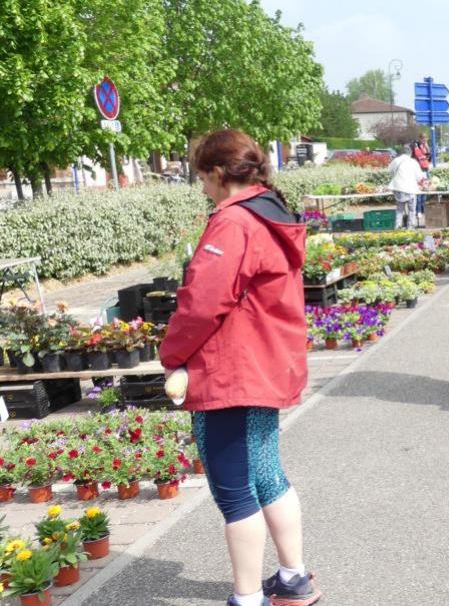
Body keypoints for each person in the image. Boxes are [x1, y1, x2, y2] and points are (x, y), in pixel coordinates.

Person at [158, 129, 320, 606]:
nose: (202, 189)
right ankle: (293, 578)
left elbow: (202, 304)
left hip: (231, 370)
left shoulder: (233, 223)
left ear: (218, 173)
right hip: (266, 363)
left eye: (202, 179)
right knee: (268, 473)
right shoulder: (271, 211)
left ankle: (246, 598)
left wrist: (172, 355)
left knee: (234, 492)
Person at [387, 150, 421, 229]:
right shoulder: (413, 162)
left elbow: (389, 171)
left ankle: (398, 227)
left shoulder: (396, 160)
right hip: (411, 189)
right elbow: (419, 177)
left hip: (398, 188)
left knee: (399, 210)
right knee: (412, 210)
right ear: (410, 153)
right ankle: (410, 228)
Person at [409, 133, 431, 223]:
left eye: (426, 138)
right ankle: (418, 211)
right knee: (419, 192)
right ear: (420, 138)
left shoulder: (425, 146)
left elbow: (429, 158)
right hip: (419, 171)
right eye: (424, 138)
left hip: (425, 170)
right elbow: (417, 156)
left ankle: (423, 210)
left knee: (425, 191)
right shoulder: (416, 145)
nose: (425, 140)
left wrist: (427, 147)